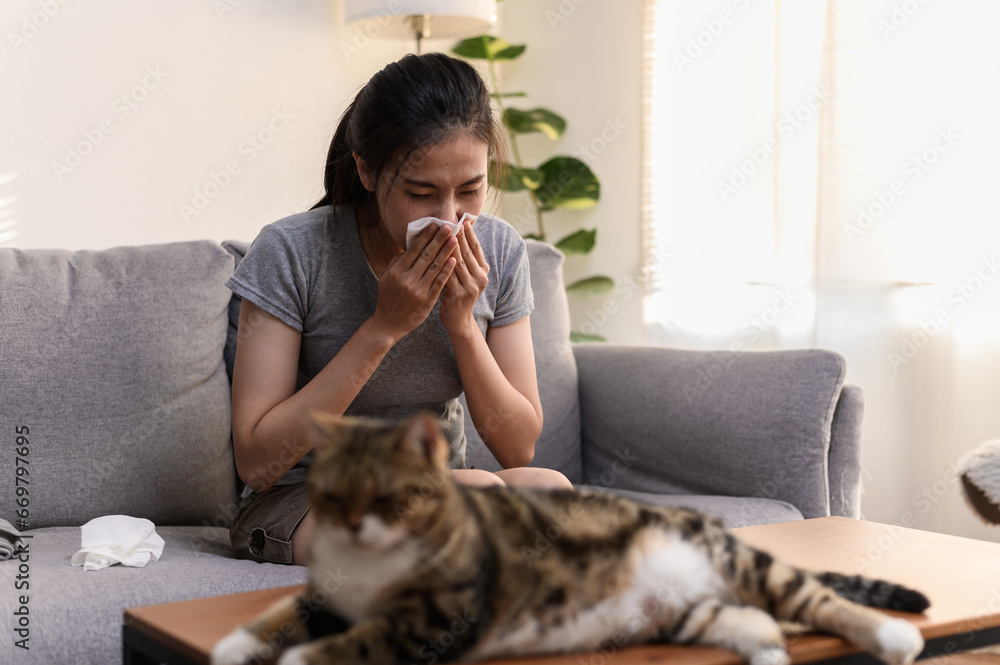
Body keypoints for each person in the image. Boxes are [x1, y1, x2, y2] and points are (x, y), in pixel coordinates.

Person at [226, 52, 573, 566]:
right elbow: (257, 463)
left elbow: (518, 449)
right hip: (304, 501)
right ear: (366, 170)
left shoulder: (499, 251)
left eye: (471, 190)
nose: (449, 218)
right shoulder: (292, 252)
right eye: (421, 192)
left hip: (443, 487)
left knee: (553, 492)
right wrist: (382, 329)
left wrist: (462, 326)